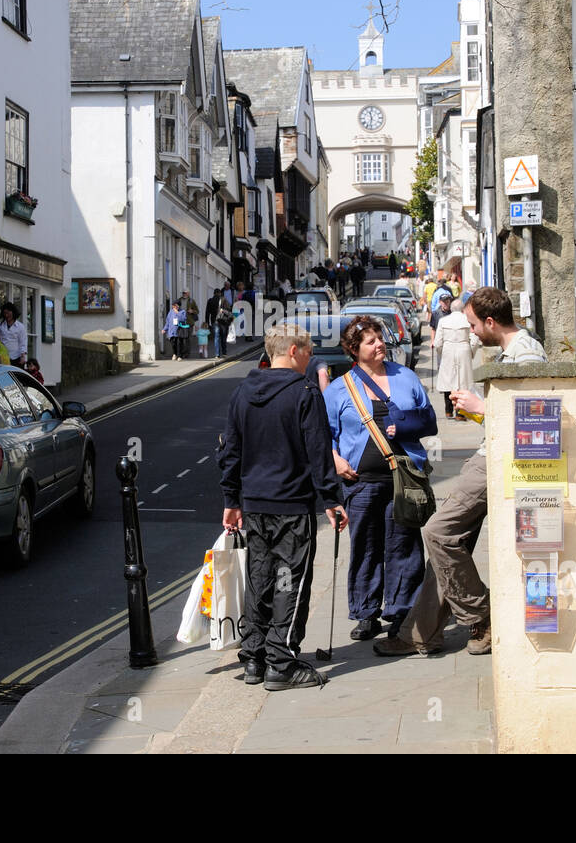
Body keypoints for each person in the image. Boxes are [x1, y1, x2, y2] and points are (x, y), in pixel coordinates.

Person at [375, 287, 546, 658]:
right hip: (493, 454)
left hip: (498, 461)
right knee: (451, 543)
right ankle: (420, 633)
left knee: (438, 533)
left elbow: (536, 416)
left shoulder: (526, 353)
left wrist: (481, 407)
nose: (470, 332)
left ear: (489, 321)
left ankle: (481, 612)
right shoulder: (512, 352)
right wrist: (478, 411)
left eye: (472, 324)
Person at [218, 323, 349, 691]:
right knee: (290, 581)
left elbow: (230, 450)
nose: (311, 357)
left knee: (260, 579)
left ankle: (254, 658)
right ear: (293, 351)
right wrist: (332, 500)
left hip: (255, 504)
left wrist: (231, 499)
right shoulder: (305, 393)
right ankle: (281, 661)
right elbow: (319, 451)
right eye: (307, 350)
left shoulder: (242, 392)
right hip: (292, 505)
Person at [324, 315, 438, 642]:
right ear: (353, 350)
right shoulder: (339, 388)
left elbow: (428, 419)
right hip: (360, 482)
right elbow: (325, 434)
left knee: (404, 544)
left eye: (380, 339)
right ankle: (365, 612)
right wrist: (335, 459)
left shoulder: (406, 377)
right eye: (370, 341)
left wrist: (406, 425)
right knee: (365, 546)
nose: (379, 345)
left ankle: (403, 610)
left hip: (404, 476)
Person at [433, 299, 480, 418]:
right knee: (462, 382)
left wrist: (441, 353)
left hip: (448, 350)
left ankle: (448, 411)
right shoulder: (468, 320)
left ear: (451, 308)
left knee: (447, 381)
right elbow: (474, 339)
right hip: (464, 349)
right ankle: (460, 412)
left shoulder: (443, 321)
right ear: (463, 309)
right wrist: (471, 352)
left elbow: (438, 342)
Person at [0, 302, 28, 367]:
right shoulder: (0, 325)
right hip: (2, 357)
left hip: (16, 357)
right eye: (5, 313)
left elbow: (23, 342)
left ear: (13, 313)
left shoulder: (20, 326)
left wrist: (23, 356)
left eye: (8, 313)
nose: (6, 316)